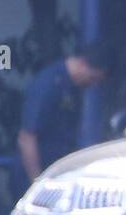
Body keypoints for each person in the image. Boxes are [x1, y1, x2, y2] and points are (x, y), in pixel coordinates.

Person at [16, 43, 112, 185]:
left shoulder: (72, 86)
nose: (91, 84)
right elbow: (27, 138)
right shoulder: (47, 84)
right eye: (92, 78)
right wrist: (36, 183)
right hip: (35, 176)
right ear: (82, 64)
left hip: (57, 173)